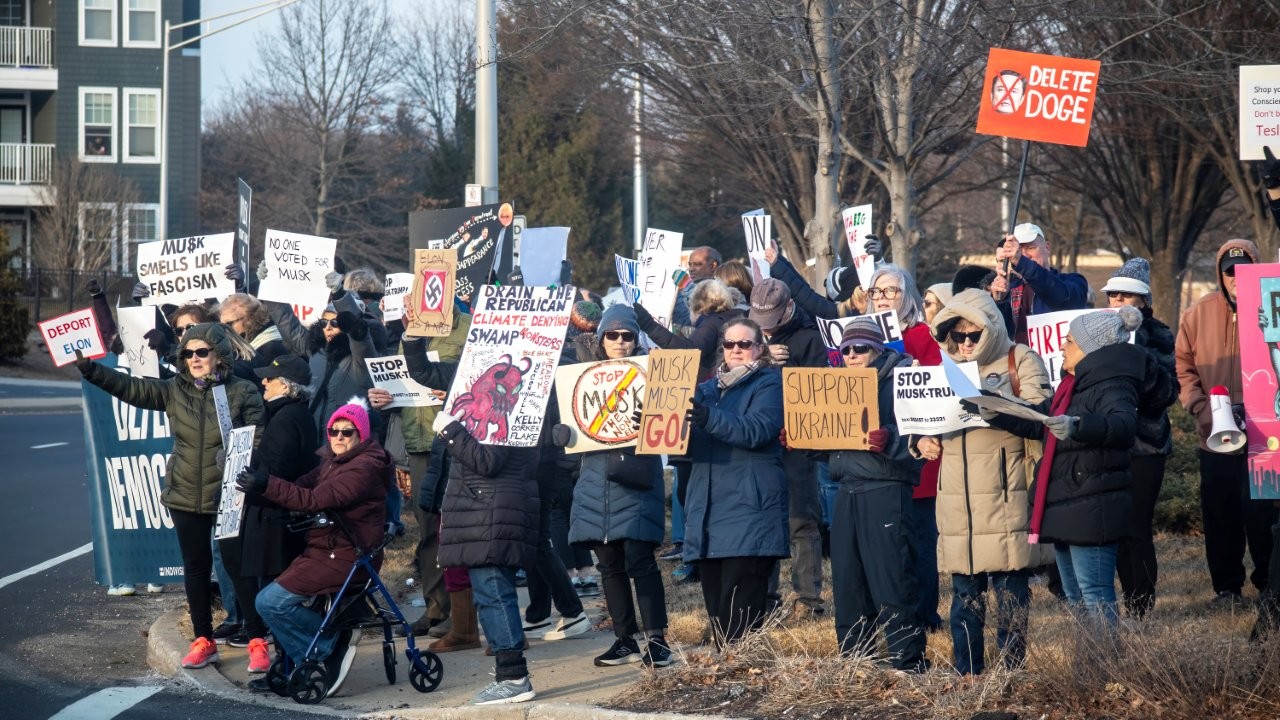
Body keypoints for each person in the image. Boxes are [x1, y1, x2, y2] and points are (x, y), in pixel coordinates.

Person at [77, 323, 265, 669]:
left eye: (202, 352)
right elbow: (131, 389)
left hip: (228, 495)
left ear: (218, 354)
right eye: (188, 353)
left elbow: (258, 436)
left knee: (239, 567)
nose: (194, 358)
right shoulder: (174, 390)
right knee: (195, 569)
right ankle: (204, 640)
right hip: (184, 495)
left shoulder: (242, 391)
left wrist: (242, 457)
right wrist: (92, 371)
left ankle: (256, 639)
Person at [917, 288, 1052, 676]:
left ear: (990, 328)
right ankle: (968, 672)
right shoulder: (942, 368)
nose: (965, 343)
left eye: (972, 335)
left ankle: (1012, 669)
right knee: (963, 594)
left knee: (1011, 589)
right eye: (956, 336)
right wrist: (919, 441)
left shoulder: (1019, 358)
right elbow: (919, 418)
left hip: (1005, 490)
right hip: (958, 498)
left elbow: (1041, 414)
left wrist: (990, 404)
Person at [404, 344, 543, 705]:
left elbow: (487, 460)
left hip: (493, 507)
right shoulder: (493, 393)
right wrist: (411, 335)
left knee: (494, 593)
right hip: (486, 507)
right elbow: (425, 372)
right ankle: (509, 674)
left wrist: (450, 430)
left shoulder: (509, 404)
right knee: (489, 592)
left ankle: (513, 677)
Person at [239, 399, 391, 699]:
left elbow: (313, 500)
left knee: (270, 602)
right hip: (324, 549)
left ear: (361, 436)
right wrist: (254, 480)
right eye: (333, 431)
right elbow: (296, 487)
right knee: (270, 600)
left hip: (349, 556)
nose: (338, 437)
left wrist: (265, 483)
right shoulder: (331, 463)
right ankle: (308, 654)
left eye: (346, 432)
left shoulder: (363, 468)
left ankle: (325, 645)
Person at [553, 305, 672, 668]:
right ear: (602, 338)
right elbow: (570, 426)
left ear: (636, 339)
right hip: (594, 482)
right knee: (609, 566)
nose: (620, 342)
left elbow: (670, 428)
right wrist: (562, 436)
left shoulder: (653, 374)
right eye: (612, 334)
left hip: (635, 479)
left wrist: (654, 417)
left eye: (627, 335)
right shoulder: (578, 374)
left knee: (639, 560)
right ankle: (625, 640)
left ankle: (657, 641)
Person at [1023, 308, 1142, 628]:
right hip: (1069, 504)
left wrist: (1077, 426)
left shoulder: (1112, 384)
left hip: (1093, 506)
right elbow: (1041, 420)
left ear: (1091, 349)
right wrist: (994, 409)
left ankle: (1107, 671)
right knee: (1075, 597)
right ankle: (1086, 670)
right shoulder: (1071, 385)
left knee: (1095, 594)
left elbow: (1122, 425)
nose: (1062, 346)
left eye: (1070, 341)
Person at [1176, 239, 1277, 606]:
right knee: (1221, 513)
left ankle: (1269, 583)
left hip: (1264, 433)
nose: (1236, 277)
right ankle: (1227, 588)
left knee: (1263, 511)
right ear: (1221, 274)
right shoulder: (1197, 314)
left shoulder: (1272, 306)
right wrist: (1202, 409)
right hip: (1215, 432)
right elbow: (1183, 368)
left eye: (1244, 269)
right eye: (1230, 271)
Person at [827, 317, 926, 670]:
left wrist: (890, 440)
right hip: (846, 489)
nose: (852, 355)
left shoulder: (904, 381)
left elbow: (924, 438)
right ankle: (854, 659)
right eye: (846, 350)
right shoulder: (835, 386)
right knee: (847, 581)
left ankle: (907, 659)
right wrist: (800, 442)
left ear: (878, 349)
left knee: (892, 578)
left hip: (886, 489)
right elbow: (828, 441)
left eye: (860, 349)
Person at [682, 318, 787, 644]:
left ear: (759, 348)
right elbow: (684, 443)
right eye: (730, 344)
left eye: (745, 344)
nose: (737, 349)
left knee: (739, 619)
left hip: (749, 512)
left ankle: (742, 678)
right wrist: (652, 424)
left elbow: (756, 430)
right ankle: (727, 678)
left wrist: (708, 417)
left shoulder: (770, 383)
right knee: (718, 613)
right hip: (709, 516)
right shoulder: (705, 389)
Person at [223, 354, 319, 677]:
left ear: (288, 386)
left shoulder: (285, 419)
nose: (263, 382)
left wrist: (247, 473)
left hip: (273, 524)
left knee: (273, 600)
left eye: (270, 378)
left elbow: (277, 474)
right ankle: (288, 664)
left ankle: (288, 666)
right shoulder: (293, 415)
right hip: (278, 520)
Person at [1101, 259, 1179, 617]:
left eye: (1125, 296)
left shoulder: (1158, 335)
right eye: (1112, 295)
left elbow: (1167, 393)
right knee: (1115, 526)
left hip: (1146, 446)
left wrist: (1139, 360)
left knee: (1136, 526)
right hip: (1110, 441)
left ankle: (1141, 606)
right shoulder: (1096, 333)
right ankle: (1122, 600)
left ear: (1144, 301)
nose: (1117, 301)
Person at [748, 279, 828, 619]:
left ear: (790, 308)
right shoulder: (748, 335)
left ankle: (808, 600)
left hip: (798, 441)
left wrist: (789, 369)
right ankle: (764, 597)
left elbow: (823, 390)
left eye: (773, 322)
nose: (766, 329)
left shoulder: (811, 337)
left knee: (801, 520)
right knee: (764, 520)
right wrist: (762, 360)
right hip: (760, 441)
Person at [989, 223, 1091, 345]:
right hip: (1019, 362)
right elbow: (999, 336)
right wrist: (998, 301)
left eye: (1031, 248)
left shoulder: (1074, 281)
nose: (1025, 255)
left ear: (1047, 247)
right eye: (1019, 251)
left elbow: (1062, 297)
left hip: (1062, 361)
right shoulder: (1008, 289)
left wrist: (1022, 263)